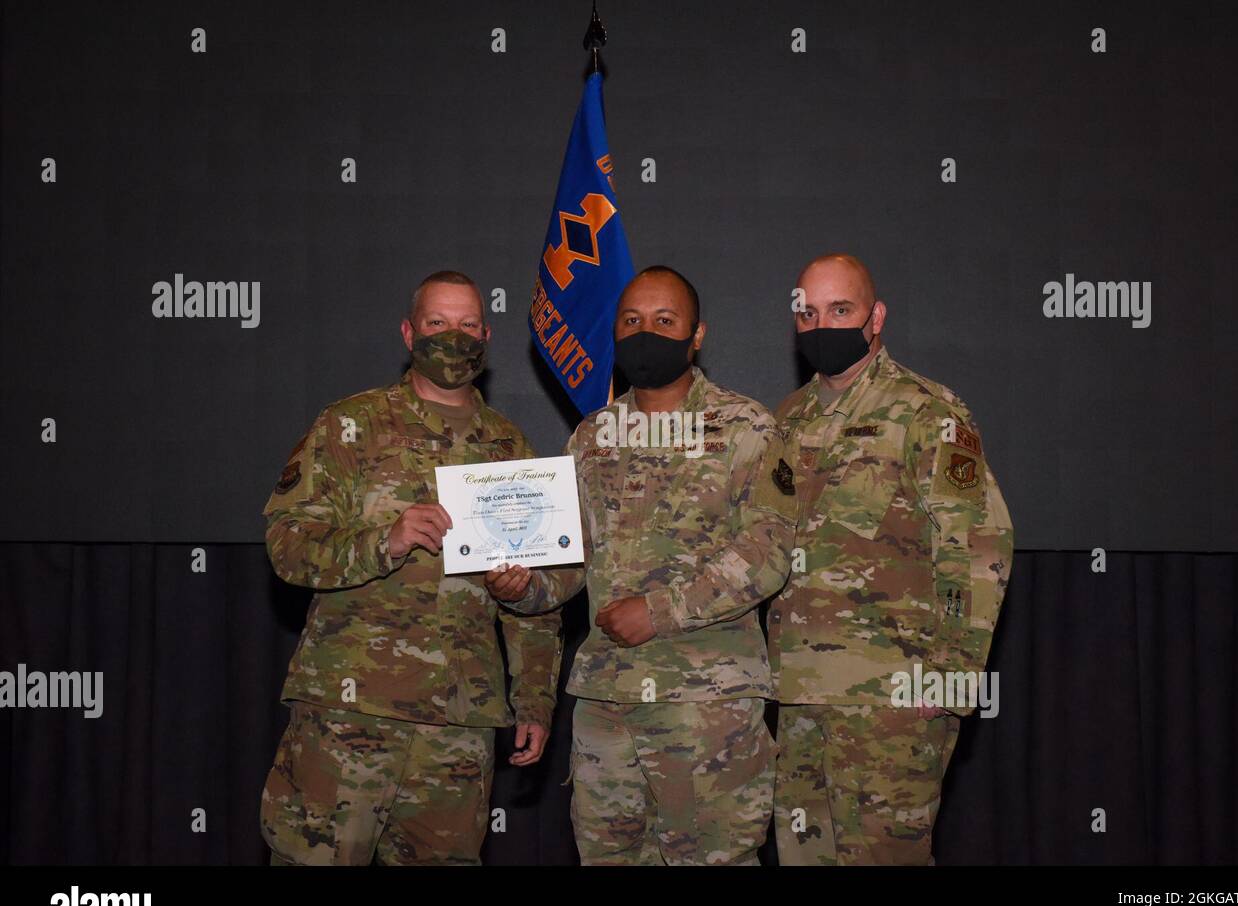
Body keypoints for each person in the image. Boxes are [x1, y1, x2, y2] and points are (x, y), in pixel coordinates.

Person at [487, 266, 796, 865]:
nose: (646, 333)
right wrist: (523, 586)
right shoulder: (593, 436)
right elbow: (569, 558)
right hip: (606, 702)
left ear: (696, 335)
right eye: (632, 321)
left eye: (664, 321)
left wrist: (660, 612)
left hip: (708, 705)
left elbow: (767, 553)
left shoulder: (746, 427)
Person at [259, 270, 564, 865]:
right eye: (437, 324)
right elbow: (288, 544)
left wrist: (534, 700)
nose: (455, 337)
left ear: (487, 334)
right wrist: (384, 542)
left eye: (468, 325)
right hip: (349, 713)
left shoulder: (510, 447)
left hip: (458, 726)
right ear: (409, 333)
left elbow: (539, 597)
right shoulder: (350, 427)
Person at [769, 254, 1014, 865]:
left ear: (875, 317)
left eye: (841, 310)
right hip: (796, 691)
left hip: (894, 697)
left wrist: (953, 670)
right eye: (809, 313)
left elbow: (978, 541)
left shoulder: (926, 411)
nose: (823, 324)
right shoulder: (784, 420)